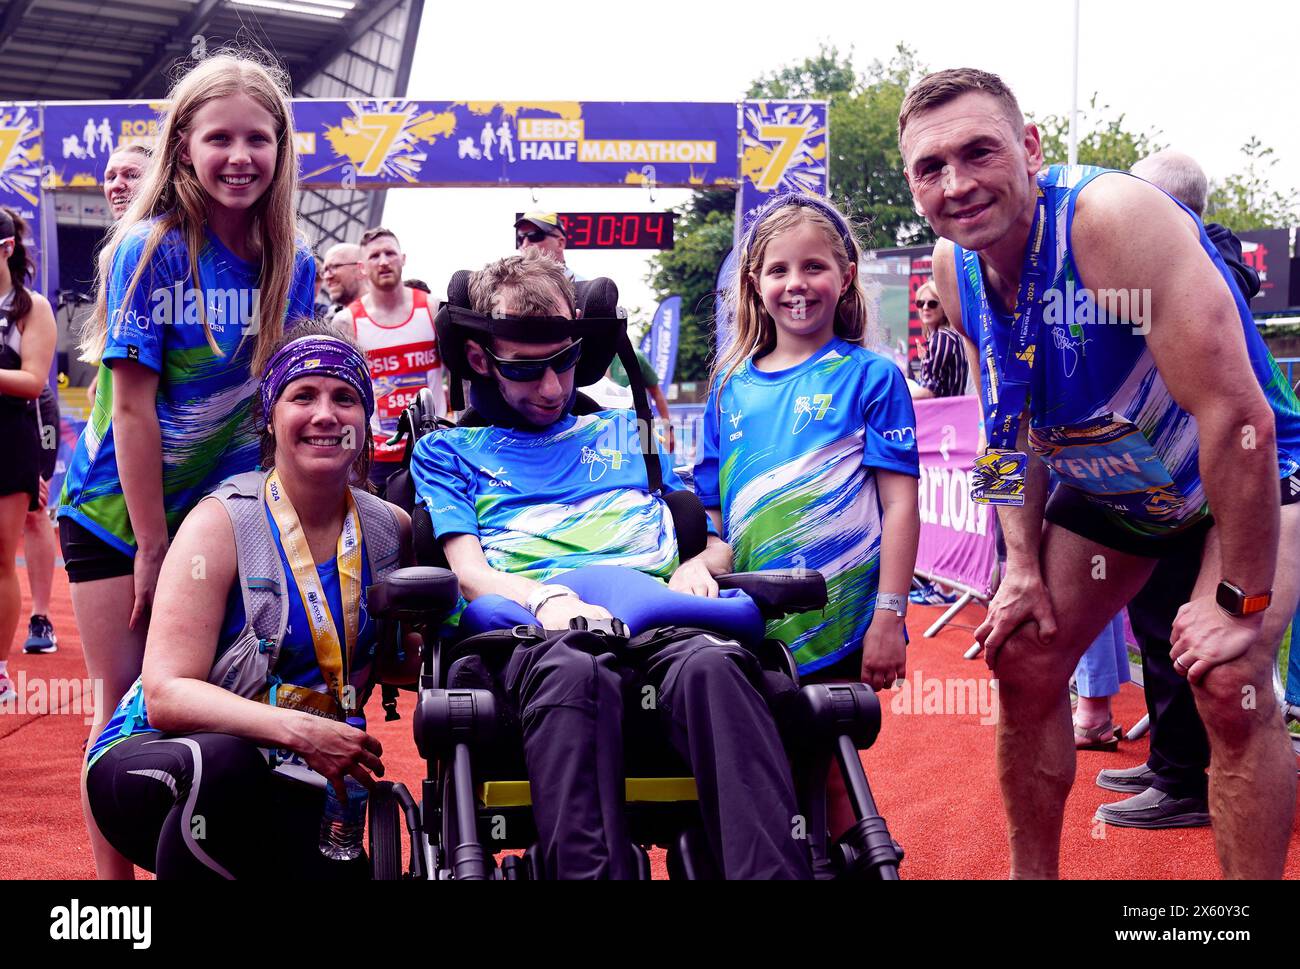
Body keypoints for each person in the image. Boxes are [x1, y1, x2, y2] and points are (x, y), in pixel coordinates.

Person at [901, 67, 1300, 878]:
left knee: (1229, 679)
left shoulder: (1110, 221)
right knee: (1026, 648)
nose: (958, 183)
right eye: (930, 168)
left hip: (1246, 476)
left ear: (1031, 148)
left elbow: (1240, 420)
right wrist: (1017, 568)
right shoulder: (953, 267)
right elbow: (1001, 428)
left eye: (980, 152)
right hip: (1122, 484)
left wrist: (1241, 603)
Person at [410, 250, 812, 879]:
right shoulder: (448, 450)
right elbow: (466, 570)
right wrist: (547, 600)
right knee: (575, 672)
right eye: (526, 368)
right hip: (534, 633)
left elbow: (709, 540)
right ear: (482, 359)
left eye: (565, 362)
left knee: (717, 665)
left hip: (659, 622)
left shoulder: (628, 430)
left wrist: (700, 564)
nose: (551, 387)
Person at [58, 52, 317, 880]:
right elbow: (131, 407)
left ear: (280, 151)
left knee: (217, 695)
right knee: (125, 699)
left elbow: (284, 401)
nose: (239, 156)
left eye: (258, 138)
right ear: (183, 148)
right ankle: (115, 899)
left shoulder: (294, 262)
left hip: (220, 514)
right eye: (219, 138)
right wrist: (152, 543)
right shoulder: (150, 249)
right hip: (114, 514)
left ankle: (207, 859)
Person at [84, 324, 419, 879]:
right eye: (303, 396)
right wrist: (300, 729)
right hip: (164, 756)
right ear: (269, 415)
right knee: (223, 767)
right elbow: (167, 693)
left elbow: (396, 663)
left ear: (366, 420)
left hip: (304, 777)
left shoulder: (390, 531)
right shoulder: (221, 522)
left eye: (345, 398)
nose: (326, 414)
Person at [694, 192, 920, 835]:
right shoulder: (728, 386)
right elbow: (713, 507)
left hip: (842, 621)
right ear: (754, 283)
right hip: (750, 621)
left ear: (846, 275)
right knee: (765, 773)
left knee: (828, 768)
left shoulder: (873, 378)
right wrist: (708, 559)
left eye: (814, 267)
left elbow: (901, 503)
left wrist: (890, 616)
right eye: (778, 270)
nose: (797, 284)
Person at [1088, 150, 1261, 828]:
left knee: (1205, 641)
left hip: (1217, 479)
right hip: (1156, 472)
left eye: (1133, 197)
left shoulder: (1199, 263)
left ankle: (1188, 779)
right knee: (1158, 624)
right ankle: (1172, 761)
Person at [334, 227, 447, 492]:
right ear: (362, 267)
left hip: (434, 445)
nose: (383, 261)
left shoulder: (432, 308)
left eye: (389, 253)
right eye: (374, 256)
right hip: (378, 455)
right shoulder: (347, 322)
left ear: (403, 259)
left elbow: (459, 377)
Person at [0, 207, 57, 700]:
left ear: (7, 248)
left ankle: (2, 667)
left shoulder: (28, 306)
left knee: (8, 550)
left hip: (11, 436)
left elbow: (35, 381)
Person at [908, 279, 969, 399]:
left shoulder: (942, 338)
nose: (925, 308)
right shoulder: (946, 337)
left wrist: (894, 397)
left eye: (932, 303)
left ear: (944, 308)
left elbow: (929, 392)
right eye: (920, 303)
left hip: (943, 414)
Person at [514, 212, 585, 282]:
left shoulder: (580, 288)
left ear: (560, 243)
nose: (525, 245)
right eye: (520, 239)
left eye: (535, 236)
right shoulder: (510, 288)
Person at [320, 242, 368, 319]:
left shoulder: (384, 318)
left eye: (334, 267)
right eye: (325, 270)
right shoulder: (330, 319)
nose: (327, 276)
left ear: (360, 269)